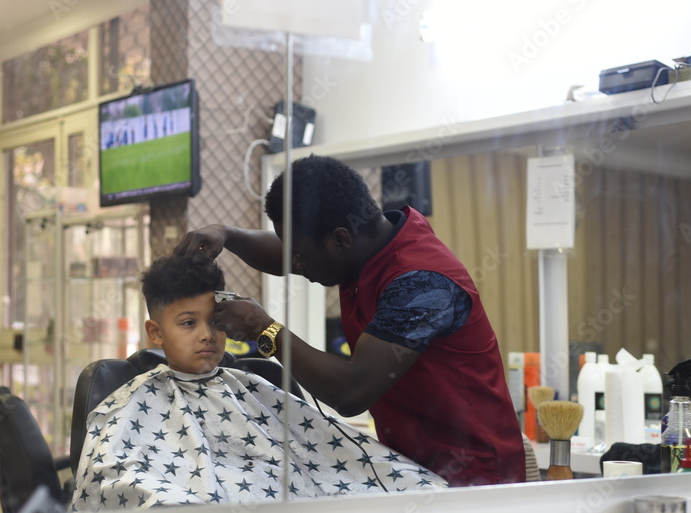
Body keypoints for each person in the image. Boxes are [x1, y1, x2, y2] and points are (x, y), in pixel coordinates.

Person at [175, 154, 526, 486]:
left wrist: (262, 328)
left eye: (300, 256)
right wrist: (228, 234)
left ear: (341, 239)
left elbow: (352, 391)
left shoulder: (422, 283)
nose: (294, 265)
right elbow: (290, 252)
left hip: (475, 480)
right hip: (412, 470)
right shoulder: (365, 248)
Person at [70, 253, 446, 511]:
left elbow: (326, 457)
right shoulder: (131, 403)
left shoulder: (253, 388)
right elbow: (113, 482)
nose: (207, 335)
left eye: (216, 321)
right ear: (155, 332)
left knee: (417, 485)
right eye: (188, 323)